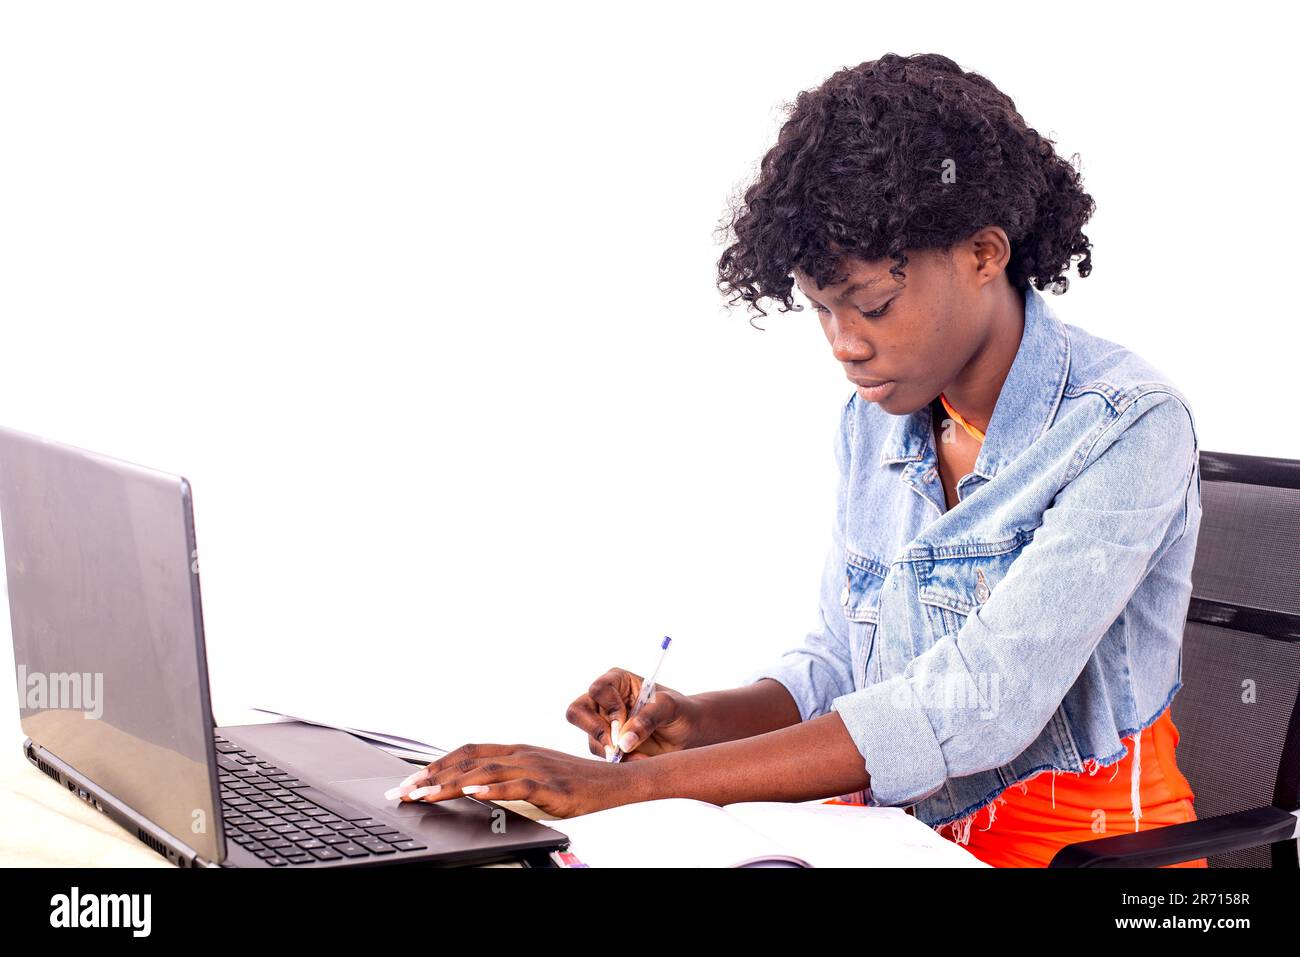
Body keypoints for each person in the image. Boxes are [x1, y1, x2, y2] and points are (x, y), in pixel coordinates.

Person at [385, 52, 1207, 868]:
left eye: (875, 306)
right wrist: (692, 718)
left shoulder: (1129, 427)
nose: (846, 345)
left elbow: (978, 703)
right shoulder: (879, 420)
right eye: (821, 311)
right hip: (888, 842)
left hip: (1089, 857)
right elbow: (844, 661)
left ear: (984, 253)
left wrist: (629, 788)